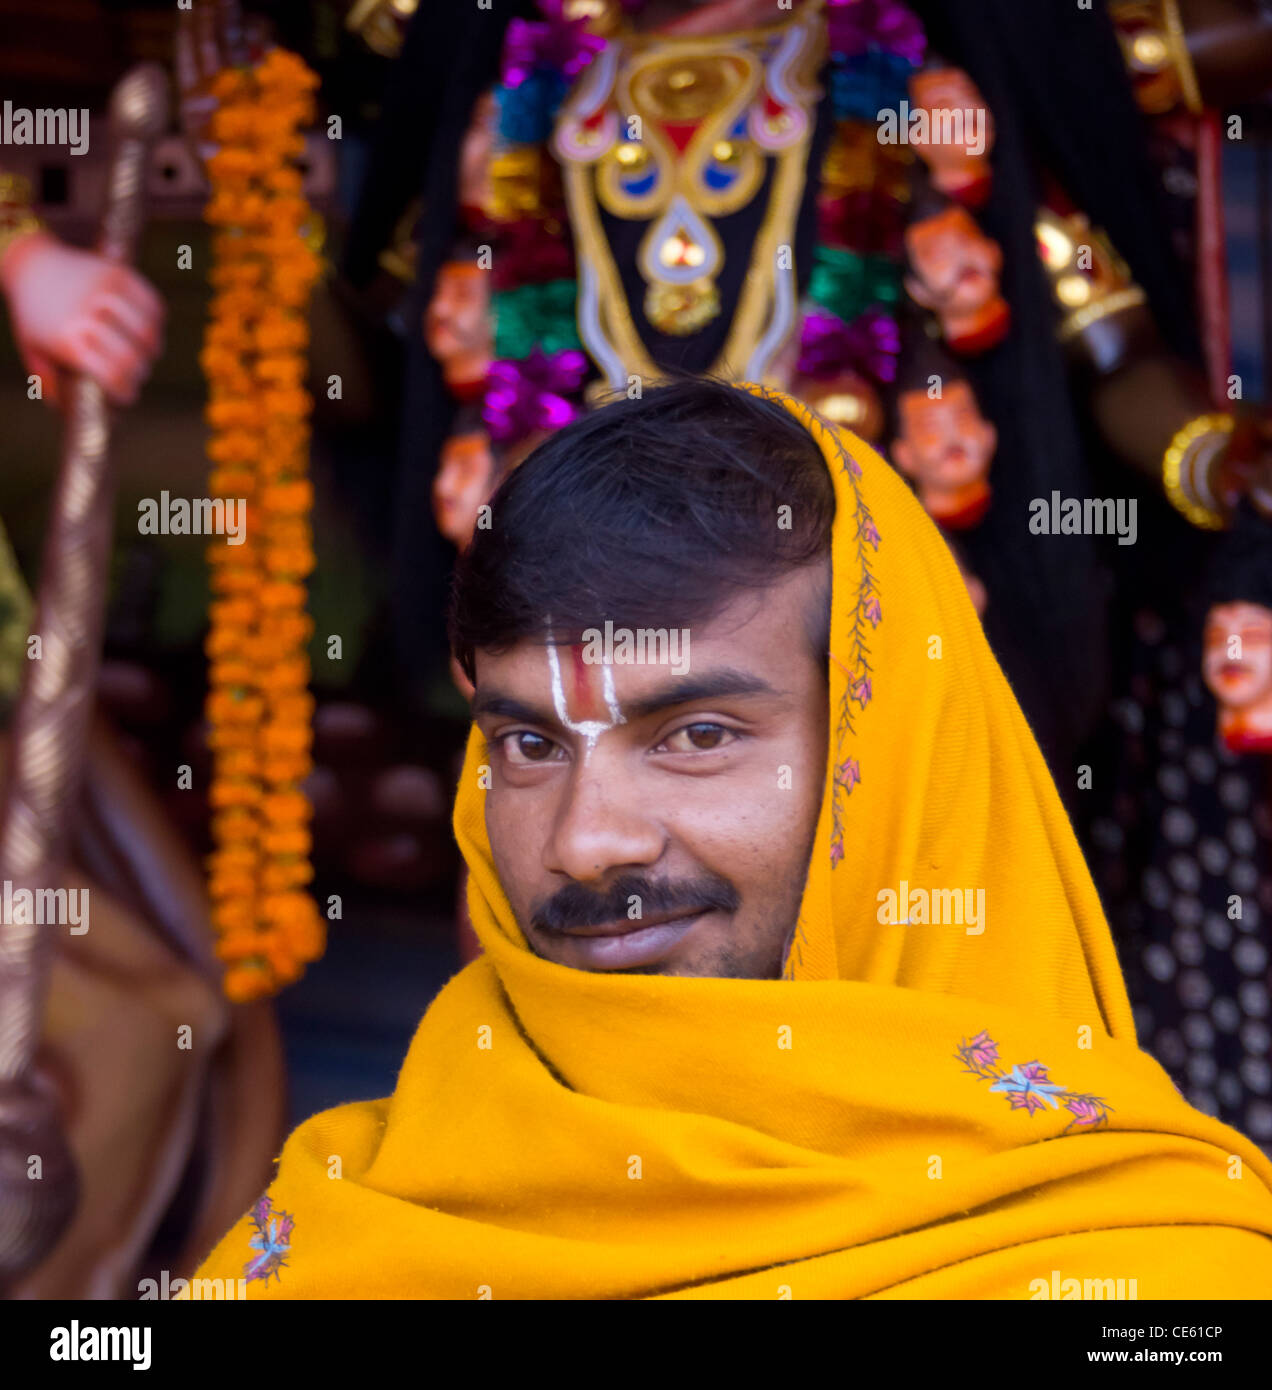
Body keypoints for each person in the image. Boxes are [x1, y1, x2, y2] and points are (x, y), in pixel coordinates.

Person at [189, 380, 1272, 1298]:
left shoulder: (1149, 1269)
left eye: (696, 735)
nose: (586, 842)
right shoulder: (348, 1232)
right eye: (528, 744)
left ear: (885, 749)